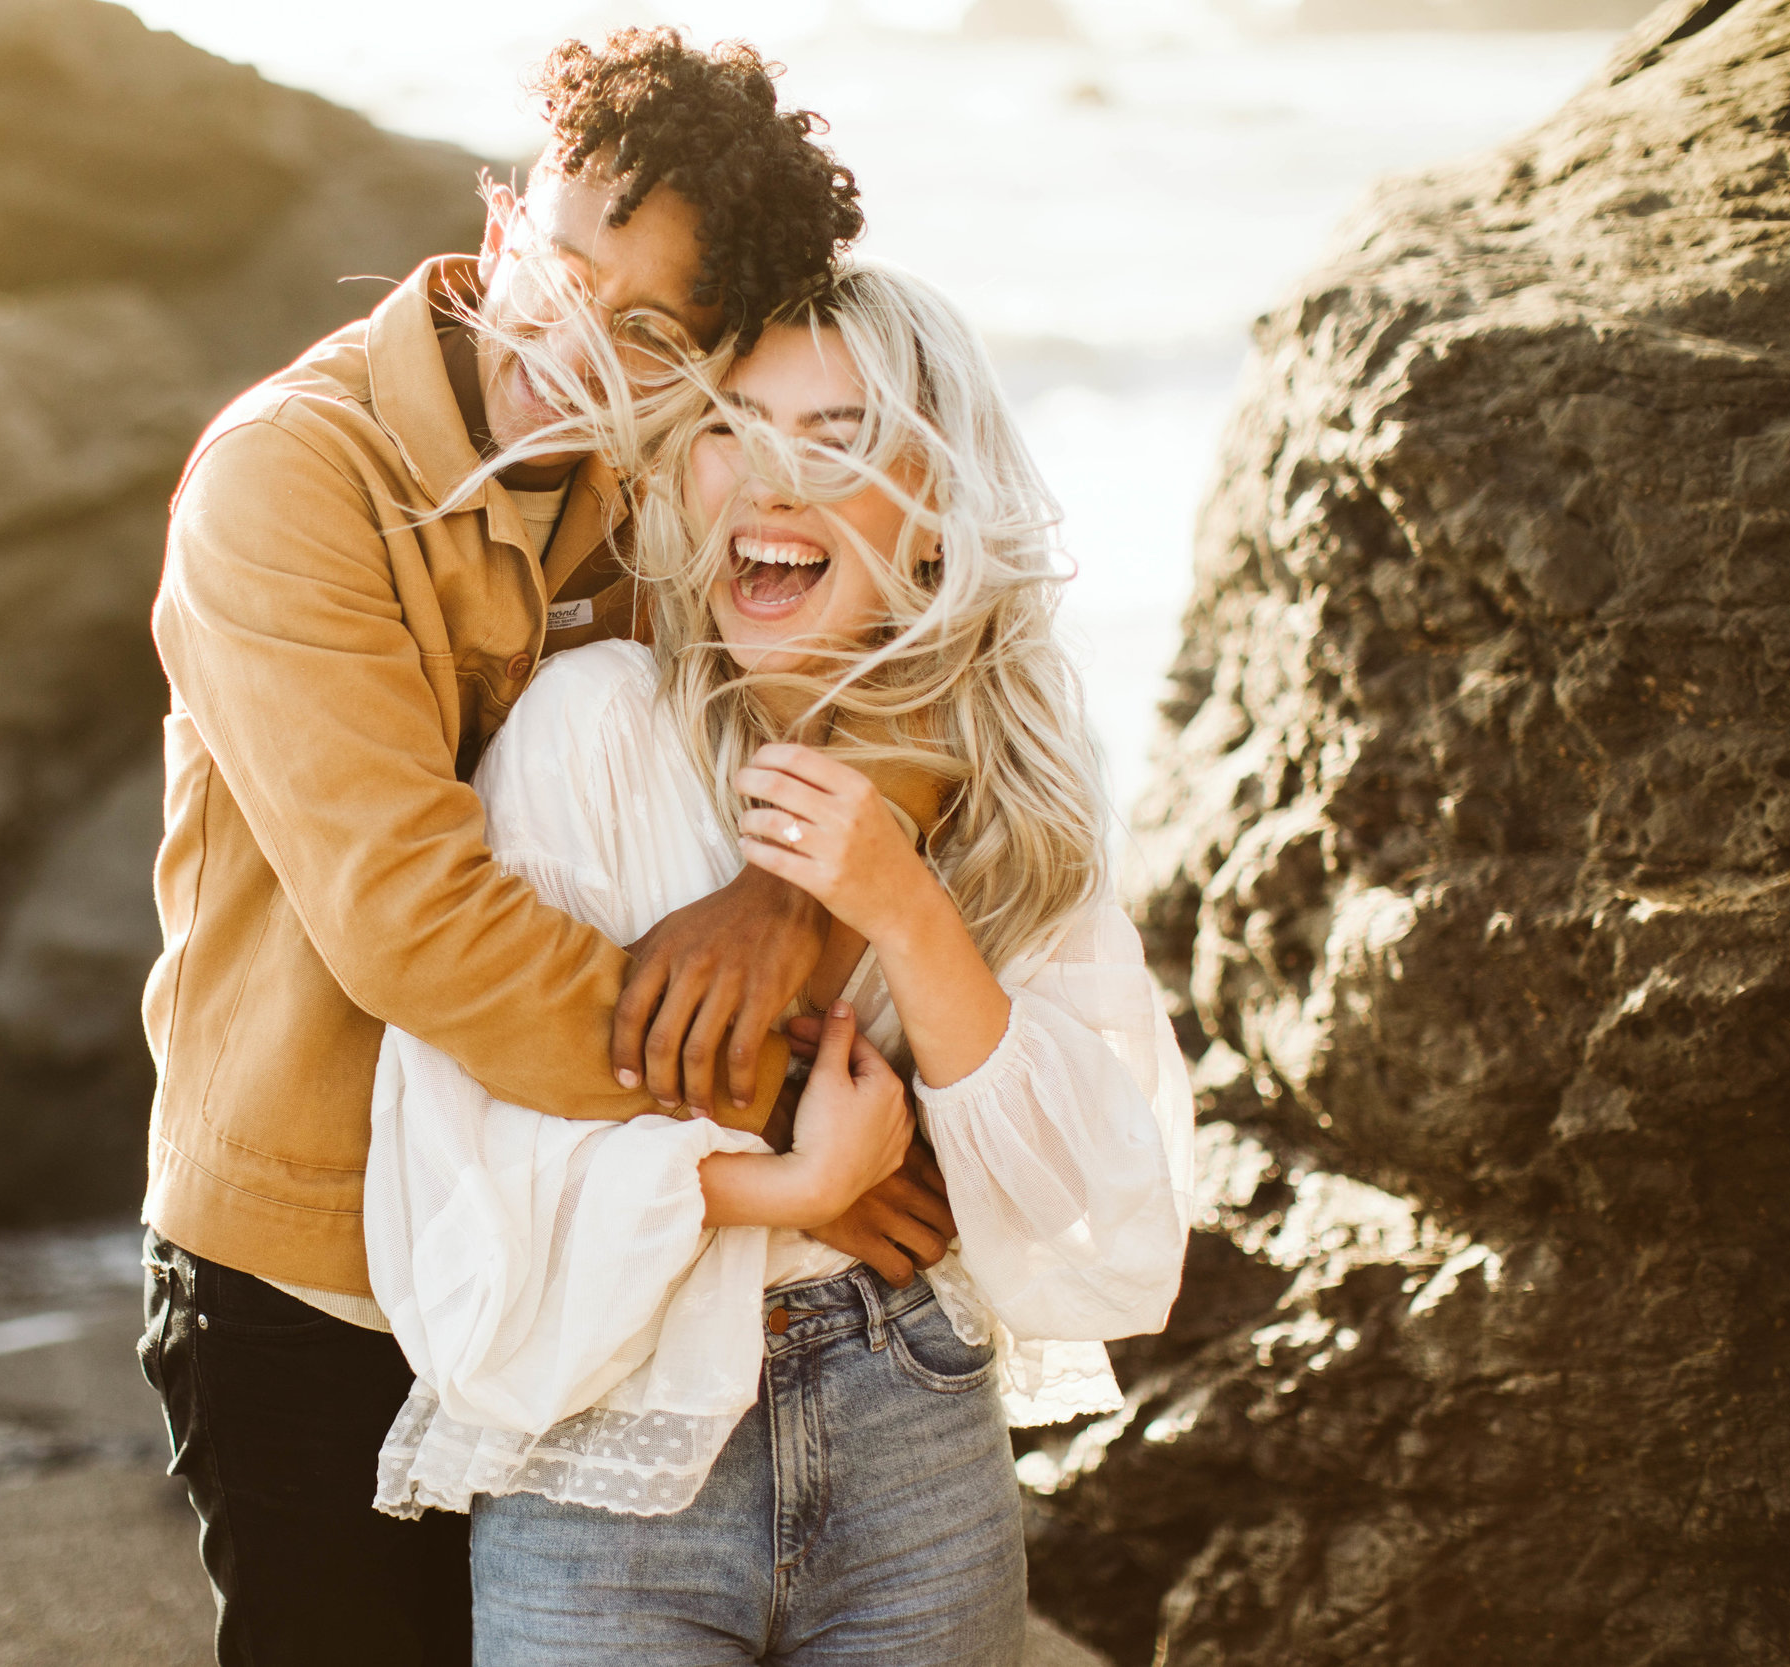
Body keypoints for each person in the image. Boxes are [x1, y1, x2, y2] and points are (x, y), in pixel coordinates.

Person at [138, 30, 956, 1667]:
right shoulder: (288, 481)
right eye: (567, 267)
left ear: (708, 361)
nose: (578, 344)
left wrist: (781, 901)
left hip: (572, 1229)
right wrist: (786, 1108)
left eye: (650, 331)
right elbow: (417, 925)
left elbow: (906, 666)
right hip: (318, 1269)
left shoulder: (665, 480)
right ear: (507, 219)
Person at [365, 263, 1197, 1664]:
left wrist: (902, 906)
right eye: (728, 426)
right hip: (609, 1457)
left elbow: (1092, 1230)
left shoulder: (1006, 787)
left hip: (914, 1430)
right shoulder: (592, 733)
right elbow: (466, 1194)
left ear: (935, 515)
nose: (770, 480)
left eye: (840, 439)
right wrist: (800, 1184)